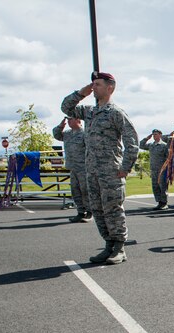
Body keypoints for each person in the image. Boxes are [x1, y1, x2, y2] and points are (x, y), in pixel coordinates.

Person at [61, 71, 139, 264]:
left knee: (113, 209)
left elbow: (132, 142)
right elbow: (66, 107)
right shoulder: (89, 112)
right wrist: (82, 92)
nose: (94, 87)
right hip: (92, 171)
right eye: (93, 84)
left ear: (109, 88)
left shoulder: (116, 113)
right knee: (97, 209)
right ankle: (108, 245)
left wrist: (125, 167)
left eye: (97, 84)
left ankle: (119, 248)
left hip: (111, 171)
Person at [53, 116, 91, 222]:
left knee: (85, 190)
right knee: (75, 191)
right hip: (72, 168)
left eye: (71, 119)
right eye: (68, 119)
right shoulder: (67, 134)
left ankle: (90, 212)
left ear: (78, 120)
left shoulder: (85, 133)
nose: (69, 121)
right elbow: (56, 135)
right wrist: (61, 125)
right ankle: (80, 212)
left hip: (83, 168)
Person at [139, 129, 169, 210]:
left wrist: (167, 169)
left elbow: (168, 158)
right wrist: (146, 138)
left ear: (160, 135)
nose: (154, 136)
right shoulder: (151, 145)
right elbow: (141, 145)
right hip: (153, 169)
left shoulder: (164, 145)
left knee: (163, 186)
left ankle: (164, 202)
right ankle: (159, 202)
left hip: (162, 170)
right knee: (155, 186)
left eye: (155, 134)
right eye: (153, 135)